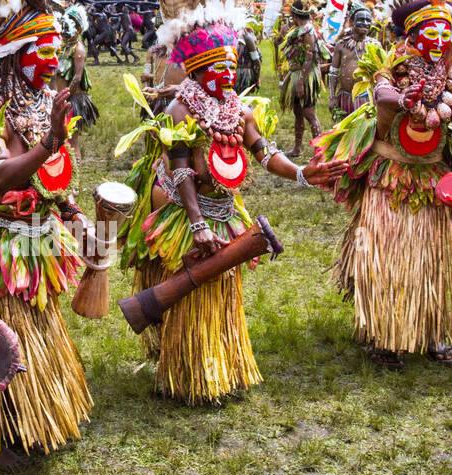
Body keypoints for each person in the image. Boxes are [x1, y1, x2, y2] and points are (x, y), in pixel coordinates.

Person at [118, 0, 346, 403]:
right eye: (217, 67)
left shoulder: (237, 108)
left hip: (223, 208)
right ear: (198, 68)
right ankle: (189, 376)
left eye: (230, 64)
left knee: (222, 285)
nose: (227, 73)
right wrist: (197, 224)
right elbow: (183, 170)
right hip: (187, 211)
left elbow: (263, 151)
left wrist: (299, 172)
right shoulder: (180, 108)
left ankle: (218, 365)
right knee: (195, 286)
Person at [314, 0, 452, 370]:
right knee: (386, 257)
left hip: (430, 178)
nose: (441, 39)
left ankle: (430, 331)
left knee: (428, 259)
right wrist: (404, 98)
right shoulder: (392, 69)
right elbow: (381, 95)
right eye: (432, 31)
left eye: (446, 32)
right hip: (392, 177)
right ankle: (384, 335)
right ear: (412, 35)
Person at [0, 0, 91, 468]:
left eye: (57, 49)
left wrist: (72, 212)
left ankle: (33, 418)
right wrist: (50, 140)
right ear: (16, 50)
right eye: (44, 50)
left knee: (38, 324)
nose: (54, 59)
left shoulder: (42, 98)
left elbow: (52, 176)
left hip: (39, 233)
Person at [279, 1, 329, 157]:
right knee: (298, 113)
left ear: (294, 16)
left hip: (305, 77)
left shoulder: (308, 31)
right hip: (296, 74)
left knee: (309, 113)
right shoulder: (299, 30)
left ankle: (318, 152)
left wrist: (301, 81)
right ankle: (297, 148)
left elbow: (309, 58)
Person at [55, 4, 97, 143]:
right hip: (61, 99)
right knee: (60, 138)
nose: (64, 32)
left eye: (68, 28)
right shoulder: (63, 46)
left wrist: (65, 99)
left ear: (78, 29)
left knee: (72, 139)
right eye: (63, 27)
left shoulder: (78, 49)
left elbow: (77, 78)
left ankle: (76, 163)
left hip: (72, 100)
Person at [328, 4, 377, 121]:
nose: (365, 23)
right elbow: (333, 73)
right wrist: (332, 97)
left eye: (368, 20)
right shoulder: (341, 45)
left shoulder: (375, 46)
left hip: (367, 98)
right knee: (344, 134)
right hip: (345, 97)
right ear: (351, 21)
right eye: (360, 19)